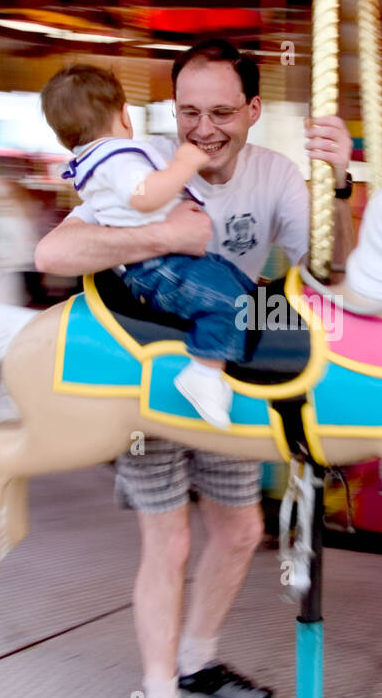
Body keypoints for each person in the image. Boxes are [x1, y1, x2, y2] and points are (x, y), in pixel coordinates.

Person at [34, 39, 354, 698]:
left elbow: (332, 275)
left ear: (253, 110)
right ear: (166, 111)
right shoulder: (136, 162)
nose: (203, 129)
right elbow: (53, 254)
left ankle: (196, 661)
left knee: (241, 530)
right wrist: (162, 234)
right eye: (188, 113)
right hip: (147, 375)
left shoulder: (274, 175)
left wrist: (336, 185)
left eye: (220, 113)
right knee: (169, 539)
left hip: (227, 377)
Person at [39, 64, 256, 429]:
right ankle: (203, 375)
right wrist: (182, 166)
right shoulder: (118, 157)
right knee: (230, 301)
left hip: (172, 264)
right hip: (160, 267)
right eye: (190, 111)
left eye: (219, 111)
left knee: (244, 290)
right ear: (124, 115)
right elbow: (144, 195)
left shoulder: (101, 162)